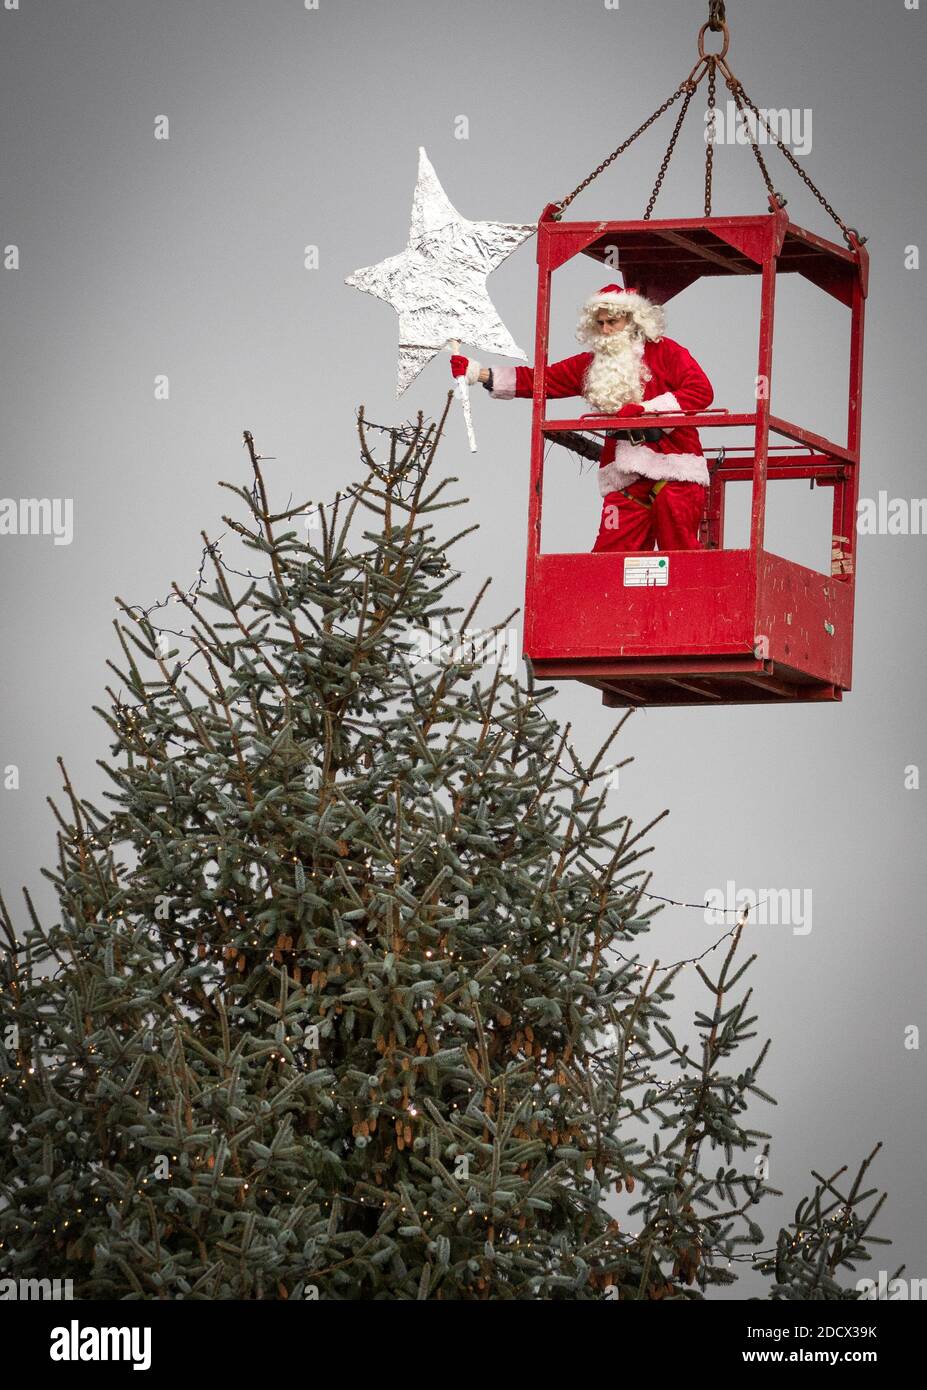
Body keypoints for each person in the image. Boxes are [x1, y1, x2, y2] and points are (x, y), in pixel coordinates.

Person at [450, 281, 714, 552]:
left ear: (633, 319)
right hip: (626, 475)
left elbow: (701, 391)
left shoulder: (666, 351)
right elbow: (544, 380)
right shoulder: (592, 365)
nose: (606, 330)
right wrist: (478, 373)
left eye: (612, 322)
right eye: (599, 324)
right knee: (609, 557)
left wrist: (647, 411)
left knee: (679, 553)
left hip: (675, 468)